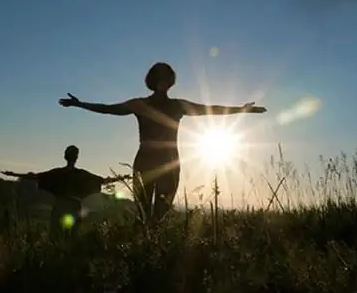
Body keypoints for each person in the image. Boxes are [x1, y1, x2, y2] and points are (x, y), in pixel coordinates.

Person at [58, 62, 267, 224]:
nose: (163, 81)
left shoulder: (178, 106)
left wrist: (241, 109)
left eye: (167, 77)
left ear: (171, 82)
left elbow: (210, 109)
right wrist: (79, 104)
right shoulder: (139, 104)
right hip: (146, 160)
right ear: (153, 80)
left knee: (162, 210)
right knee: (143, 210)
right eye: (159, 77)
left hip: (169, 161)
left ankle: (155, 253)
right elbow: (107, 108)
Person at [1, 145, 129, 235]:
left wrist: (14, 174)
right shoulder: (82, 174)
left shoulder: (57, 173)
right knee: (72, 237)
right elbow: (102, 180)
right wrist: (121, 178)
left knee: (56, 236)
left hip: (60, 207)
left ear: (65, 156)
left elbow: (35, 176)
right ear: (76, 157)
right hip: (74, 208)